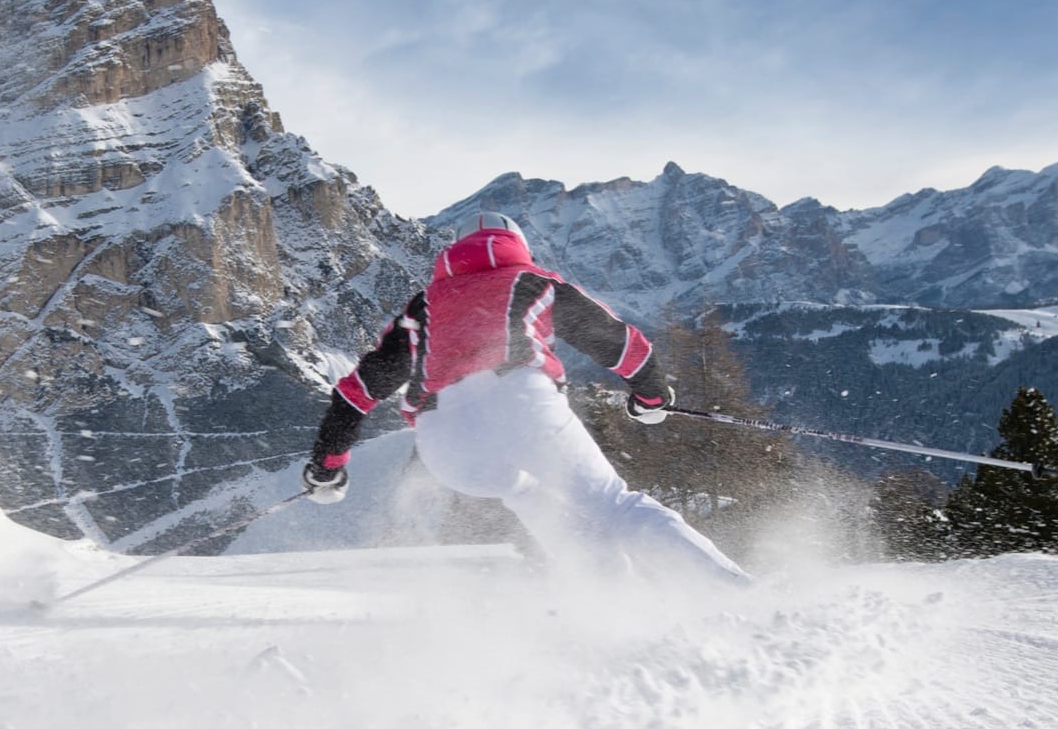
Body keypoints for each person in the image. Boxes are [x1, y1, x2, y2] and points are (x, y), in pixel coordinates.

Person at [301, 213, 748, 586]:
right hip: (518, 400)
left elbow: (355, 393)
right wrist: (651, 396)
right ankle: (733, 595)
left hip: (444, 441)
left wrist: (327, 467)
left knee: (532, 497)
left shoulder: (423, 305)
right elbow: (619, 342)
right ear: (518, 244)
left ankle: (616, 610)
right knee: (611, 503)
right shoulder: (532, 281)